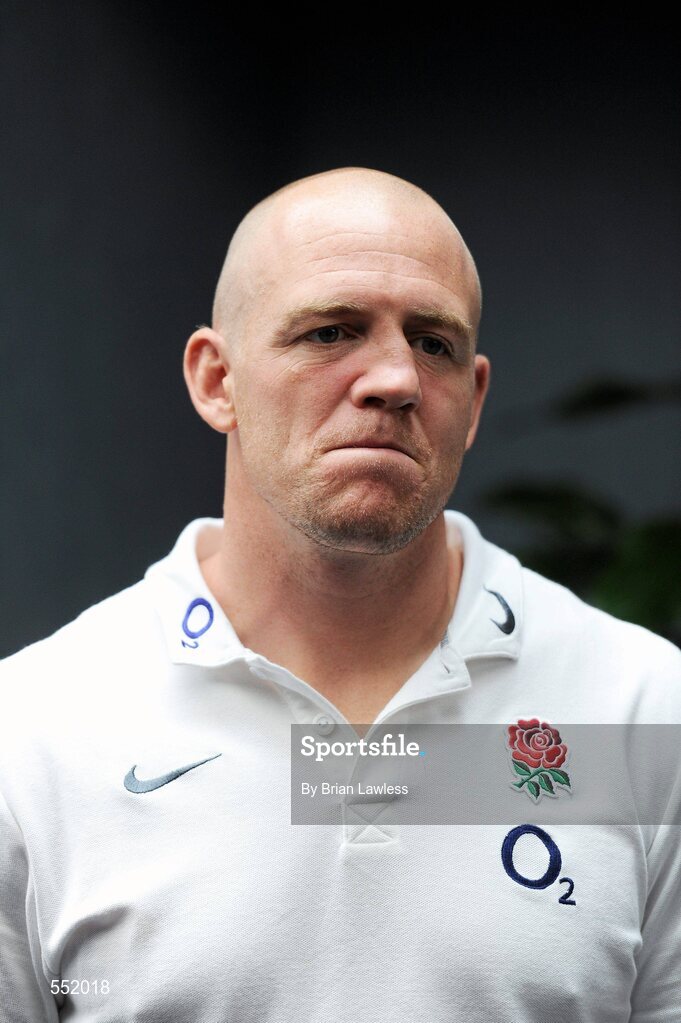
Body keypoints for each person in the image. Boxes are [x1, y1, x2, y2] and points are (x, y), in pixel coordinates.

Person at [0, 168, 679, 1022]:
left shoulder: (641, 708)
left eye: (433, 342)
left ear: (472, 401)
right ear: (216, 380)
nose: (395, 377)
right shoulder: (33, 734)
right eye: (330, 331)